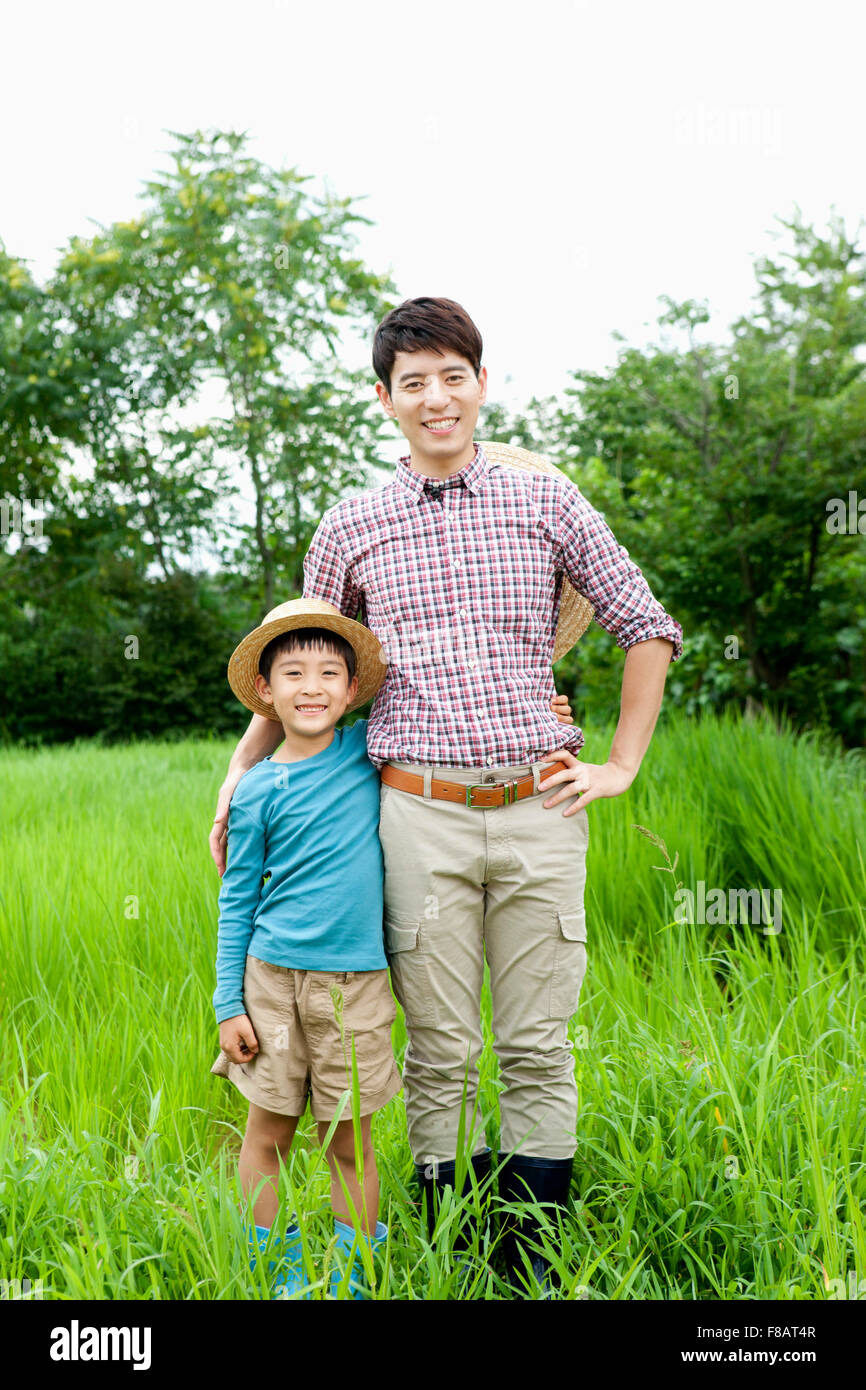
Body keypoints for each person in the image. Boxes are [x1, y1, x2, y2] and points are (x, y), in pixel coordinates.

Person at [210, 296, 684, 1297]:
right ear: (383, 399)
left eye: (452, 376)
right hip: (412, 813)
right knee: (437, 1042)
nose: (436, 397)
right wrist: (236, 772)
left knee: (534, 1040)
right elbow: (307, 666)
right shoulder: (351, 525)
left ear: (479, 382)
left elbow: (645, 623)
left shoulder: (545, 501)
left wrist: (620, 765)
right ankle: (456, 1249)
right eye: (412, 382)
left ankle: (532, 1260)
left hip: (539, 808)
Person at [210, 597, 402, 1300]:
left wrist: (553, 714)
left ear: (353, 690)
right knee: (269, 1135)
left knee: (349, 1143)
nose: (312, 686)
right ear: (266, 692)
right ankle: (272, 1272)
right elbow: (236, 902)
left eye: (328, 672)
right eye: (292, 673)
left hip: (356, 984)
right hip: (272, 982)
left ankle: (354, 1279)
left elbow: (453, 724)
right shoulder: (256, 790)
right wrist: (228, 1002)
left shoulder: (371, 753)